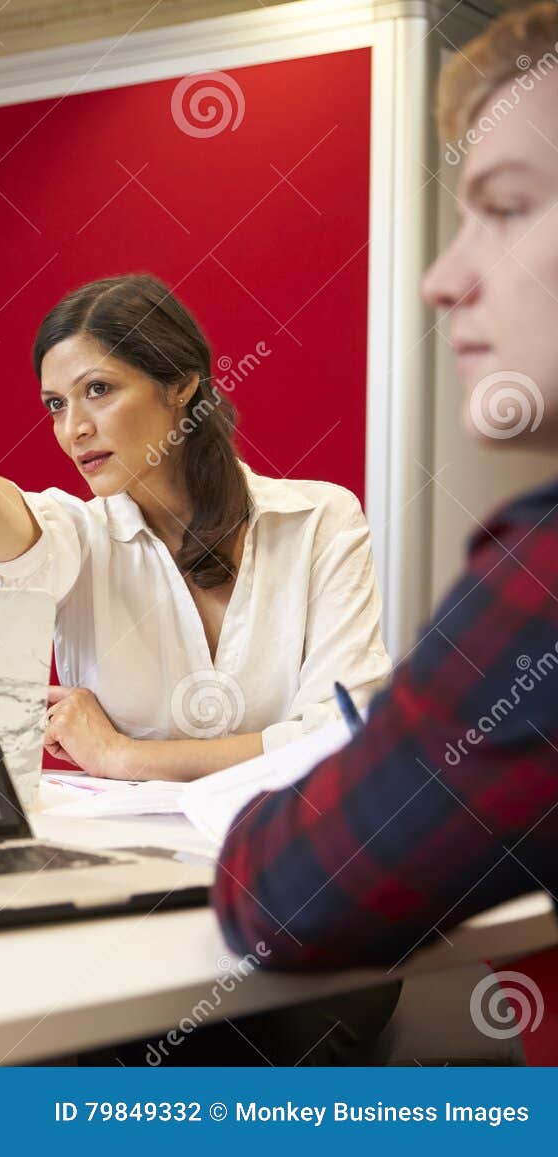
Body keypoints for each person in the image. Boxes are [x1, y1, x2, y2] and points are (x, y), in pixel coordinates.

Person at [212, 1, 558, 1065]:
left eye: (504, 208)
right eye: (56, 404)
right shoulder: (73, 526)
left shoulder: (326, 513)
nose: (439, 278)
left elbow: (288, 892)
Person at [0, 274, 392, 781]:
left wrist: (124, 756)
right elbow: (23, 539)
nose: (74, 429)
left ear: (182, 384)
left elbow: (348, 736)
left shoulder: (320, 521)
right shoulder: (81, 534)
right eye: (56, 405)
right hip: (140, 873)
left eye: (98, 390)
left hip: (292, 858)